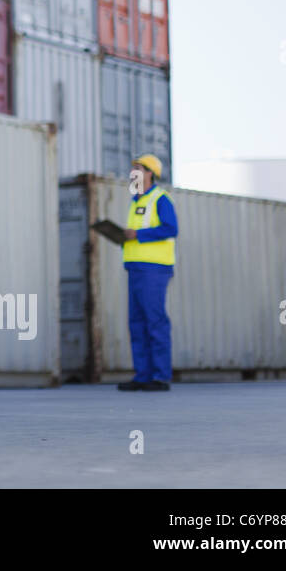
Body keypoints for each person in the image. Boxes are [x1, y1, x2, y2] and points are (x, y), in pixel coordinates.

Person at [117, 153, 179, 392]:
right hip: (135, 268)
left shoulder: (160, 199)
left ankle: (160, 376)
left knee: (155, 321)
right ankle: (143, 375)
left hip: (155, 269)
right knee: (137, 323)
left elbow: (171, 228)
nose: (133, 173)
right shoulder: (136, 201)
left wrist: (138, 235)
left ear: (150, 173)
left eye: (138, 169)